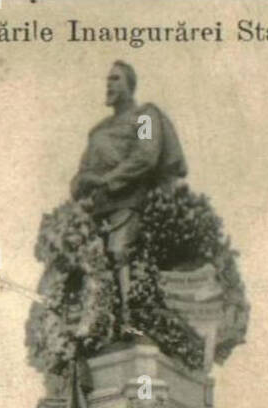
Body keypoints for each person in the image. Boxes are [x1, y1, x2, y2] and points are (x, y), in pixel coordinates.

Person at [69, 61, 187, 320]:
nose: (108, 84)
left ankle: (129, 317)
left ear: (130, 85)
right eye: (107, 80)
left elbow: (146, 156)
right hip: (97, 210)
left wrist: (108, 179)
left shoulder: (145, 115)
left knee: (119, 253)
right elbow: (83, 171)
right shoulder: (98, 131)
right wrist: (81, 182)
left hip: (131, 201)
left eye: (115, 79)